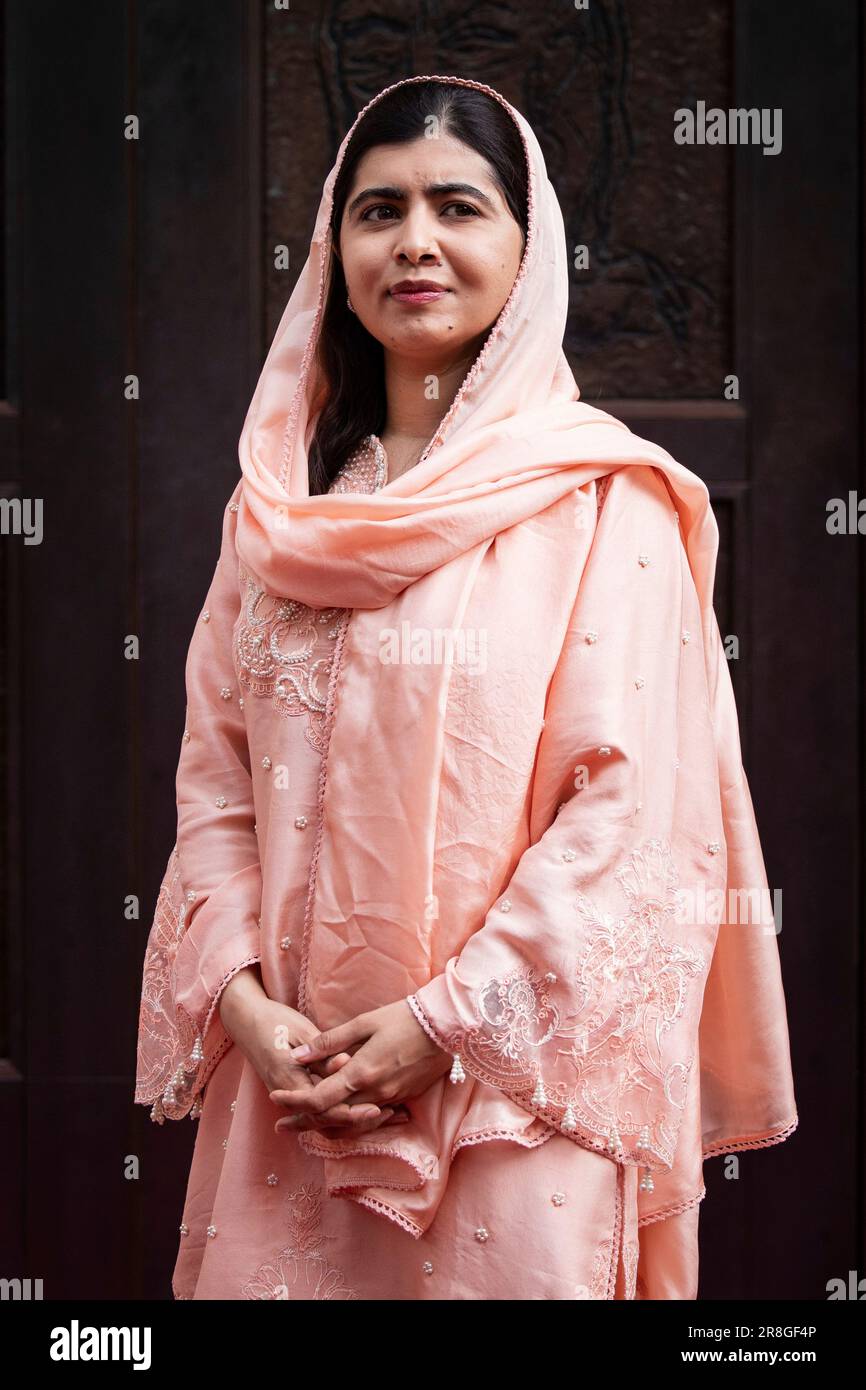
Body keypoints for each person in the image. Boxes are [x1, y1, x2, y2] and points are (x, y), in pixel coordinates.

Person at [134, 74, 798, 1301]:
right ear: (336, 251)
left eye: (458, 206)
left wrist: (439, 1028)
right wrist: (239, 1007)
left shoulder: (604, 503)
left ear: (526, 244)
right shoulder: (277, 519)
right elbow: (214, 789)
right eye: (377, 211)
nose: (415, 243)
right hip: (291, 1093)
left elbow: (627, 821)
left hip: (508, 1105)